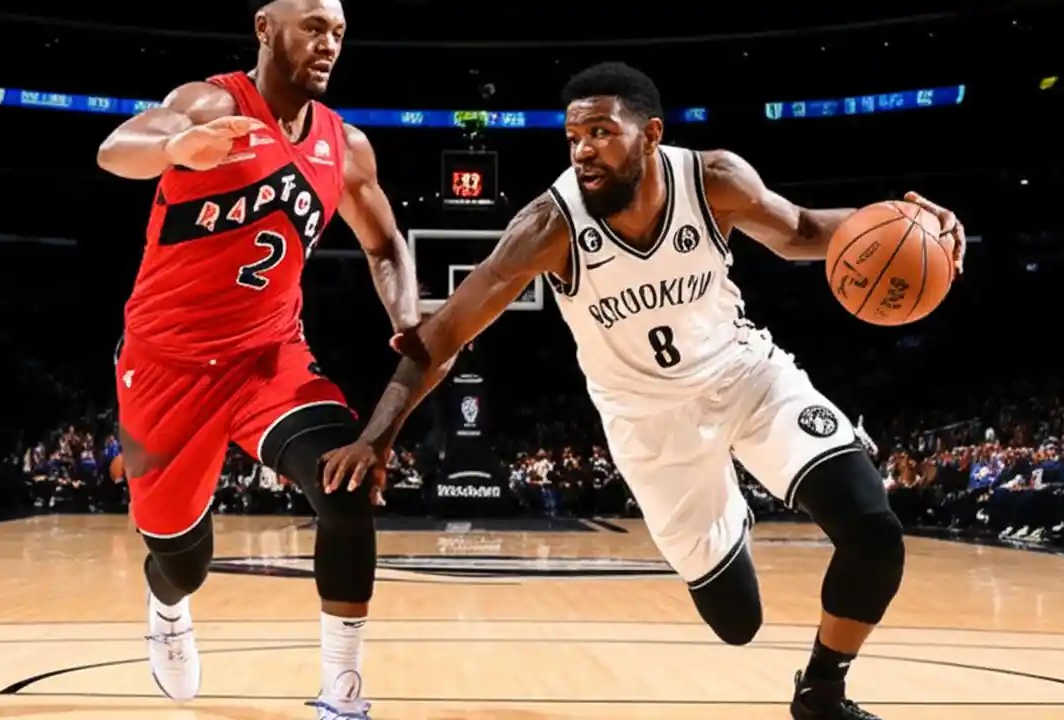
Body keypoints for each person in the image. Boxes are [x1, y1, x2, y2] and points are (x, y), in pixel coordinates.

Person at [322, 62, 966, 720]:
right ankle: (727, 516)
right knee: (736, 622)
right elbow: (444, 333)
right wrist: (377, 438)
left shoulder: (713, 179)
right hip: (650, 428)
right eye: (573, 136)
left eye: (601, 132)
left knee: (874, 533)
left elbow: (801, 229)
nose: (583, 150)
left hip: (746, 376)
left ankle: (822, 691)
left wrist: (904, 221)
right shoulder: (551, 225)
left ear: (651, 134)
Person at [95, 0, 418, 716]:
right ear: (265, 28)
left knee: (346, 484)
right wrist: (175, 152)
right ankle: (167, 611)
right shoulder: (210, 102)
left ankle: (343, 690)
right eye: (312, 27)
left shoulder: (347, 145)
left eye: (337, 31)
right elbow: (115, 149)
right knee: (184, 561)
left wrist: (406, 318)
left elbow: (387, 243)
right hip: (165, 367)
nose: (328, 43)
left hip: (271, 359)